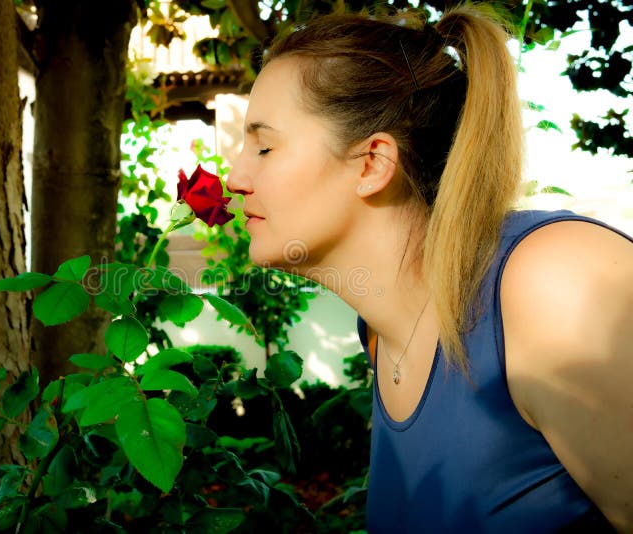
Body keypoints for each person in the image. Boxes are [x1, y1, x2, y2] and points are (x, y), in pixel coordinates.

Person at [226, 4, 633, 532]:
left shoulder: (553, 283)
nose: (234, 177)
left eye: (263, 145)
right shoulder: (379, 333)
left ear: (373, 162)